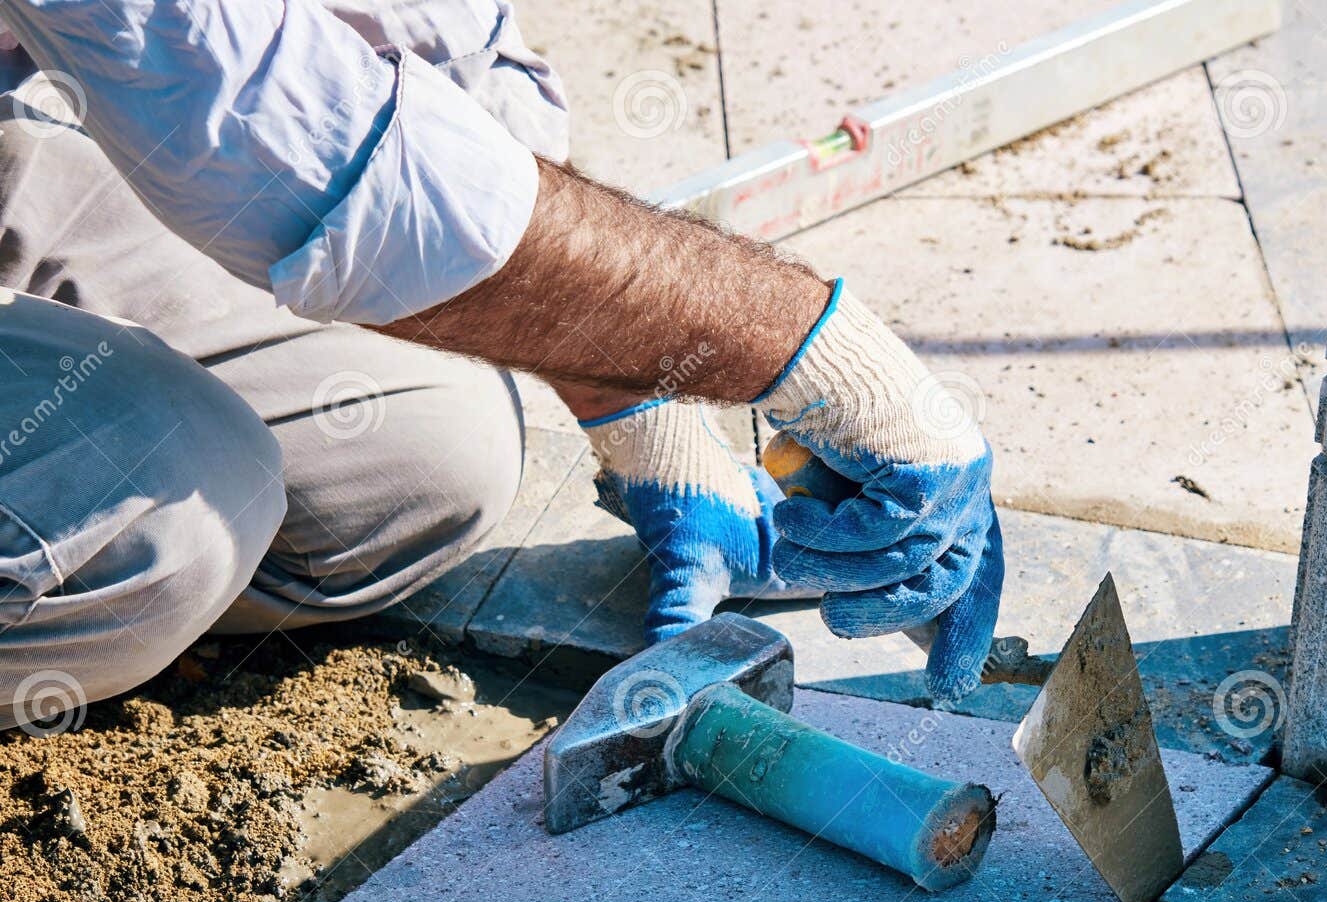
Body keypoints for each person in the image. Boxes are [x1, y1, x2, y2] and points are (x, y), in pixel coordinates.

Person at [0, 0, 1003, 732]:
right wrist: (814, 354)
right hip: (148, 68)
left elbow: (429, 38)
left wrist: (630, 397)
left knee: (420, 461)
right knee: (158, 513)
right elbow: (289, 141)